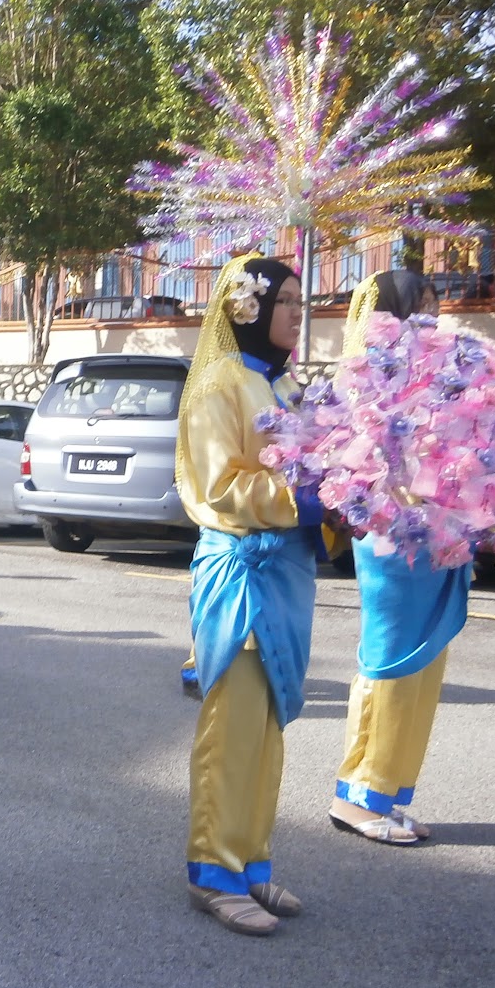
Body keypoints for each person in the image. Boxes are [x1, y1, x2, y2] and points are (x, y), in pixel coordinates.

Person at [177, 253, 324, 936]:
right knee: (232, 727)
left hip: (285, 572)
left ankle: (252, 861)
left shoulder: (283, 383)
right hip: (242, 572)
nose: (297, 311)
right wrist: (307, 496)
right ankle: (214, 870)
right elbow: (218, 487)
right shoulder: (220, 384)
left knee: (266, 729)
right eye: (285, 299)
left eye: (299, 299)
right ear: (249, 307)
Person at [328, 270, 465, 845]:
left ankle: (389, 793)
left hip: (437, 535)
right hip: (392, 538)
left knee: (426, 669)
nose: (430, 316)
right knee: (390, 664)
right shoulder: (365, 375)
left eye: (434, 305)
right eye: (419, 306)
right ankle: (356, 795)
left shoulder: (439, 369)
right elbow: (362, 462)